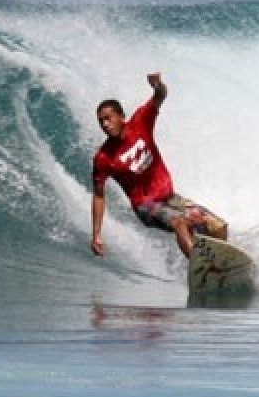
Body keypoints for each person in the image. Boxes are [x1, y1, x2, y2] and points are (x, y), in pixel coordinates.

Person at [91, 73, 228, 259]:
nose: (105, 125)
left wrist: (157, 84)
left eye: (108, 118)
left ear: (121, 116)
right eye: (101, 122)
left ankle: (222, 263)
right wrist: (96, 233)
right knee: (180, 222)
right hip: (146, 206)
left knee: (218, 226)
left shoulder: (141, 121)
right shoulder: (103, 158)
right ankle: (202, 267)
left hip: (170, 197)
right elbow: (99, 195)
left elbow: (160, 95)